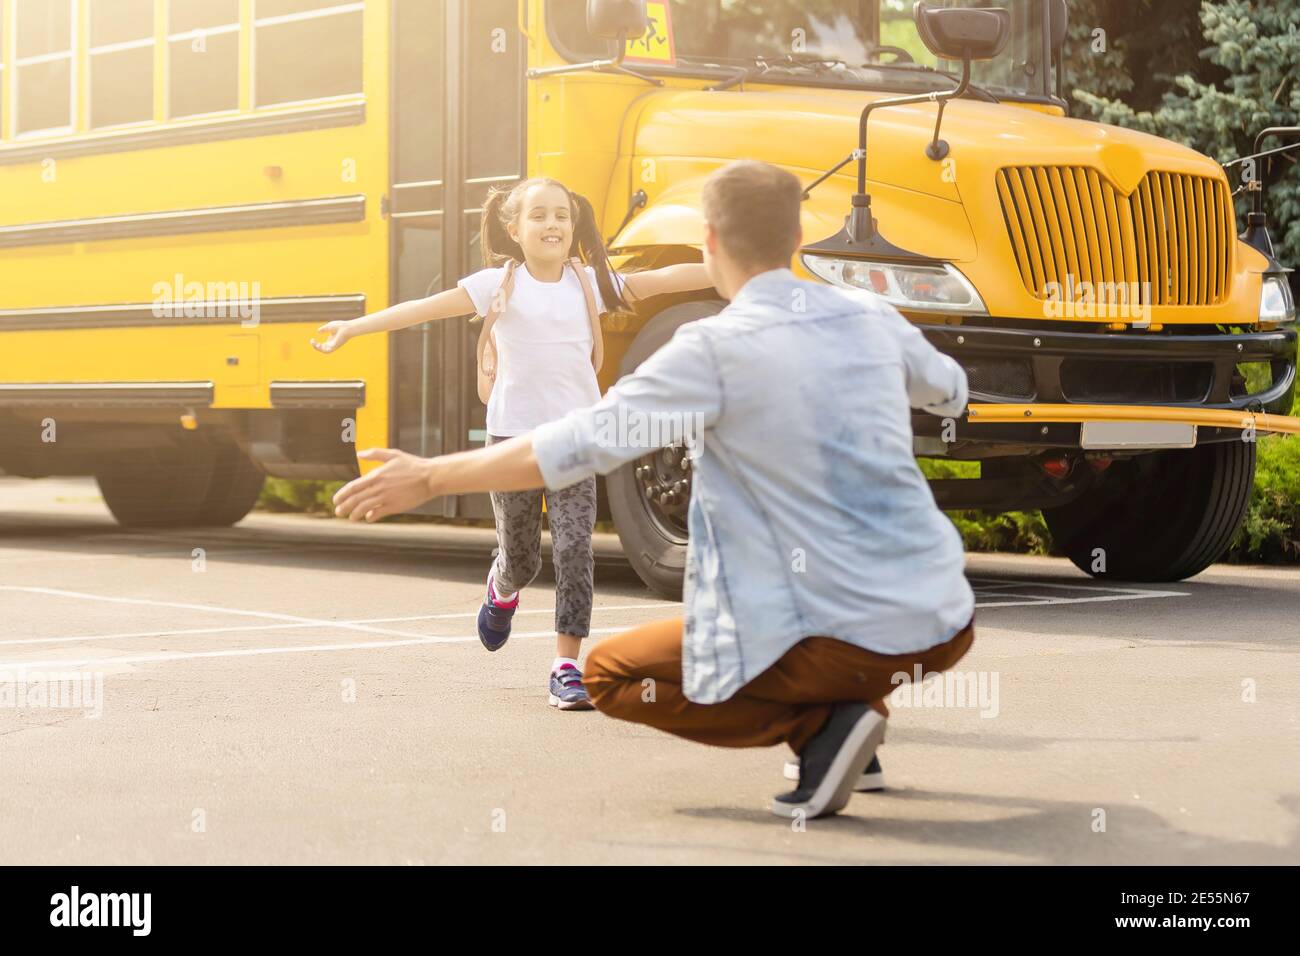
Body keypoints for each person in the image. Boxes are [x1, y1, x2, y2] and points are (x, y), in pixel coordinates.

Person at [331, 160, 975, 820]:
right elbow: (949, 390)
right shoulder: (871, 315)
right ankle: (854, 721)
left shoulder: (707, 349)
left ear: (710, 241)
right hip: (943, 616)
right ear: (799, 239)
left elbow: (573, 444)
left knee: (611, 676)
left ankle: (826, 730)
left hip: (819, 620)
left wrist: (431, 475)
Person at [312, 176, 711, 710]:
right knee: (522, 557)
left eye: (562, 216)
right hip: (511, 437)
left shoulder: (589, 282)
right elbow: (425, 308)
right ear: (514, 228)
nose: (553, 225)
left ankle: (566, 665)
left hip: (576, 439)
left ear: (574, 225)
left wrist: (742, 270)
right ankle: (503, 586)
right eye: (540, 216)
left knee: (574, 547)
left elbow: (662, 279)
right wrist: (353, 328)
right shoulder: (497, 284)